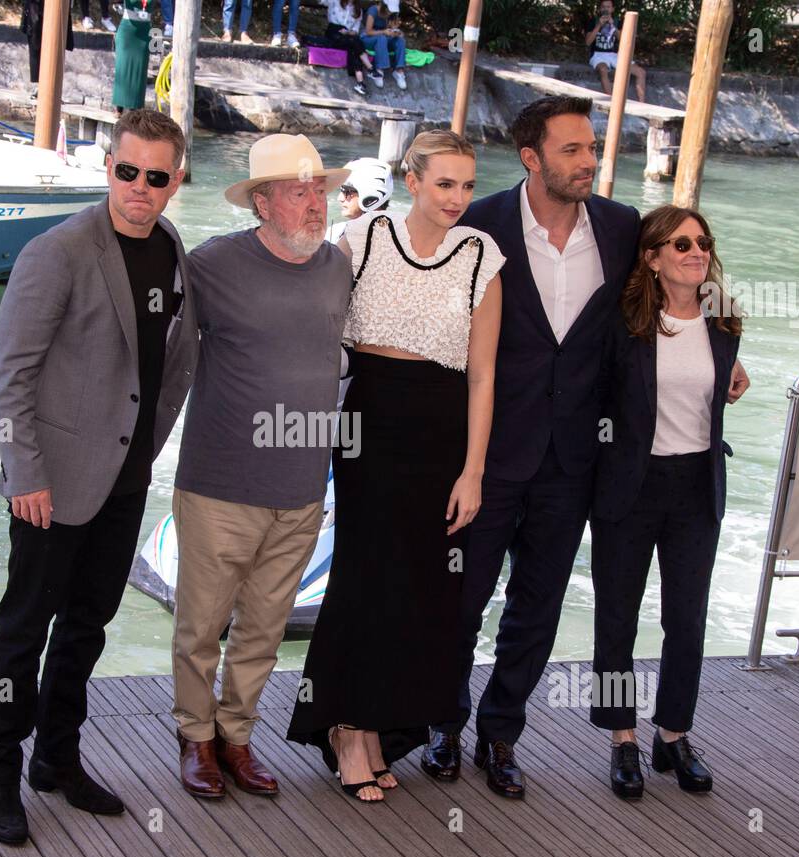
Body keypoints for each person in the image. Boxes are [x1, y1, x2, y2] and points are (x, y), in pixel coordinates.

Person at [423, 96, 749, 800]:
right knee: (461, 599)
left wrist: (727, 355)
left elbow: (680, 281)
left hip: (578, 462)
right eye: (571, 149)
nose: (589, 160)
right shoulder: (479, 225)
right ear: (531, 158)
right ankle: (442, 726)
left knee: (537, 608)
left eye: (592, 147)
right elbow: (441, 332)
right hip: (485, 456)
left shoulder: (621, 225)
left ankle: (499, 735)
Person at [0, 110, 198, 845]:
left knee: (88, 628)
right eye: (127, 171)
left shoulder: (171, 248)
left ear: (176, 181)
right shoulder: (58, 251)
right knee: (22, 631)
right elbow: (10, 374)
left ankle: (57, 758)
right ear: (108, 168)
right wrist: (24, 474)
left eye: (156, 176)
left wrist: (151, 444)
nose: (140, 187)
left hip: (126, 480)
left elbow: (174, 362)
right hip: (51, 483)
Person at [287, 131, 504, 802]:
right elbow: (316, 331)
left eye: (468, 185)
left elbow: (484, 375)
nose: (458, 198)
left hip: (442, 436)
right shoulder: (364, 238)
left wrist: (473, 472)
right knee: (362, 579)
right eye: (445, 184)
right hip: (369, 427)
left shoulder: (482, 255)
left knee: (421, 592)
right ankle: (347, 728)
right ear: (413, 180)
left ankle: (378, 729)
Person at [171, 134, 352, 800]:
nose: (315, 204)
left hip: (302, 488)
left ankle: (236, 737)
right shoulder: (211, 265)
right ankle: (195, 737)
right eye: (301, 192)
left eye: (320, 191)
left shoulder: (337, 266)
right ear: (263, 201)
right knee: (200, 626)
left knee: (265, 629)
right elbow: (151, 339)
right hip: (218, 484)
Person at [591, 205, 741, 800]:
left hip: (695, 489)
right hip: (630, 486)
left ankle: (673, 735)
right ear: (651, 259)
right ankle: (622, 738)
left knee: (687, 621)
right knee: (616, 620)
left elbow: (718, 380)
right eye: (679, 244)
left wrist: (734, 375)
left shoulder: (724, 319)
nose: (695, 252)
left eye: (702, 242)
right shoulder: (625, 320)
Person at [586, 0, 647, 102]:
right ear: (600, 9)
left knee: (641, 72)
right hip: (597, 54)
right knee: (603, 70)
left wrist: (613, 26)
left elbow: (624, 41)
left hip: (614, 55)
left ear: (612, 9)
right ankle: (612, 105)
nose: (606, 9)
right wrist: (598, 26)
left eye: (608, 7)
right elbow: (588, 42)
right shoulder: (593, 21)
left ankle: (642, 105)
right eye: (604, 7)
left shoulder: (617, 21)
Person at [322, 0, 382, 95]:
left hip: (348, 36)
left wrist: (348, 32)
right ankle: (370, 68)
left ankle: (360, 83)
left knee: (354, 45)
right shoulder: (335, 1)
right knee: (355, 43)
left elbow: (355, 30)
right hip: (334, 32)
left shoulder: (358, 11)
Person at [328, 157, 392, 242]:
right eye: (341, 190)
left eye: (347, 191)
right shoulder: (335, 231)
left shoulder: (390, 241)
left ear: (371, 197)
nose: (340, 198)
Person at [21, 0, 75, 84]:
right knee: (35, 48)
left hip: (56, 11)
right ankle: (37, 85)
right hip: (35, 10)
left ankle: (51, 85)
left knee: (53, 49)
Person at [113, 0, 153, 112]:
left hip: (144, 32)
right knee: (122, 67)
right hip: (127, 31)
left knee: (140, 71)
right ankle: (118, 107)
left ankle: (134, 109)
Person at [363, 0, 407, 90]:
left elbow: (392, 29)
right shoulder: (373, 10)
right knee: (381, 38)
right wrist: (384, 32)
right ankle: (379, 71)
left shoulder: (392, 14)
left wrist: (396, 33)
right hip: (368, 38)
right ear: (384, 5)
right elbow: (368, 31)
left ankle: (399, 71)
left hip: (383, 39)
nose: (390, 12)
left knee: (400, 41)